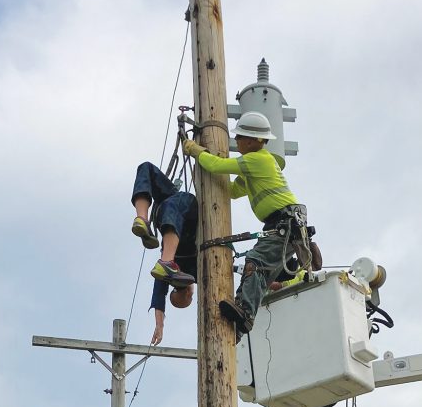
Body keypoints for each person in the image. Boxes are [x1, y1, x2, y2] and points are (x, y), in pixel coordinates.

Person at [183, 111, 313, 337]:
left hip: (285, 222)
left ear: (253, 140)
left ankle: (245, 313)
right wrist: (202, 172)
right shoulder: (255, 166)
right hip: (288, 224)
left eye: (240, 137)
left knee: (255, 261)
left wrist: (196, 151)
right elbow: (232, 191)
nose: (237, 142)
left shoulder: (258, 159)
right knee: (260, 271)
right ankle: (238, 328)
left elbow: (215, 165)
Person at [130, 161, 198, 345]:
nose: (193, 293)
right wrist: (159, 325)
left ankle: (142, 218)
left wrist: (160, 327)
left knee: (147, 170)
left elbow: (159, 296)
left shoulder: (195, 273)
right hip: (172, 212)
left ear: (187, 292)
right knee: (146, 169)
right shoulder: (195, 274)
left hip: (179, 212)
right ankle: (142, 218)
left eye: (190, 296)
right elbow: (158, 296)